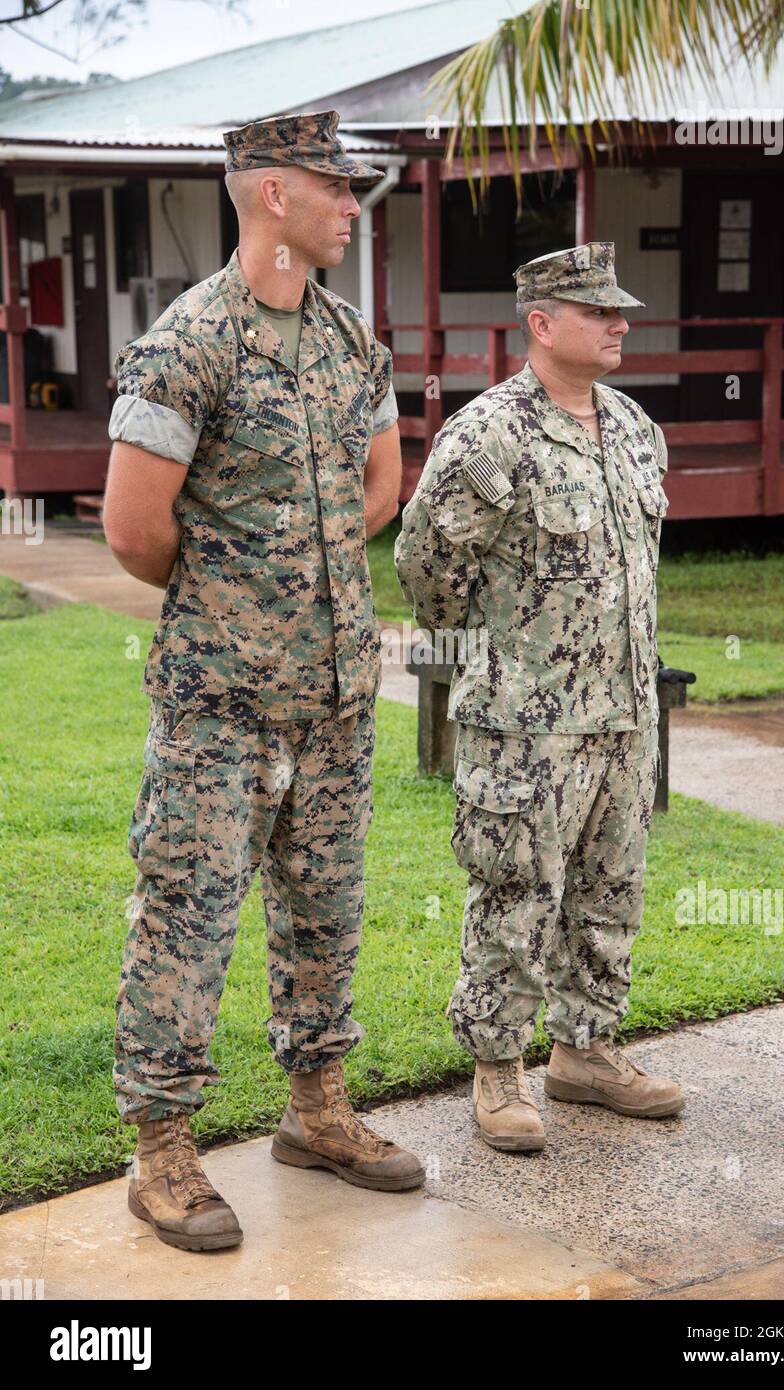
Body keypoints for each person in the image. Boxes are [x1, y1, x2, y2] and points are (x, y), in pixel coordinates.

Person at [103, 110, 425, 1253]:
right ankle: (162, 1151)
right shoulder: (186, 344)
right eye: (336, 188)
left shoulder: (352, 343)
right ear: (272, 196)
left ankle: (318, 1108)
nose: (354, 205)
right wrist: (241, 601)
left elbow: (382, 486)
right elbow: (135, 528)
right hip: (220, 703)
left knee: (325, 908)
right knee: (188, 915)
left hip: (337, 696)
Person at [394, 243, 684, 1153]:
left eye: (619, 311)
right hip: (524, 723)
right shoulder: (490, 433)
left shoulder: (635, 425)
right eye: (600, 312)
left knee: (611, 892)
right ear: (543, 324)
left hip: (626, 714)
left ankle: (586, 1050)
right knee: (515, 896)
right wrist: (501, 654)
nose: (620, 325)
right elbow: (426, 565)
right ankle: (496, 1068)